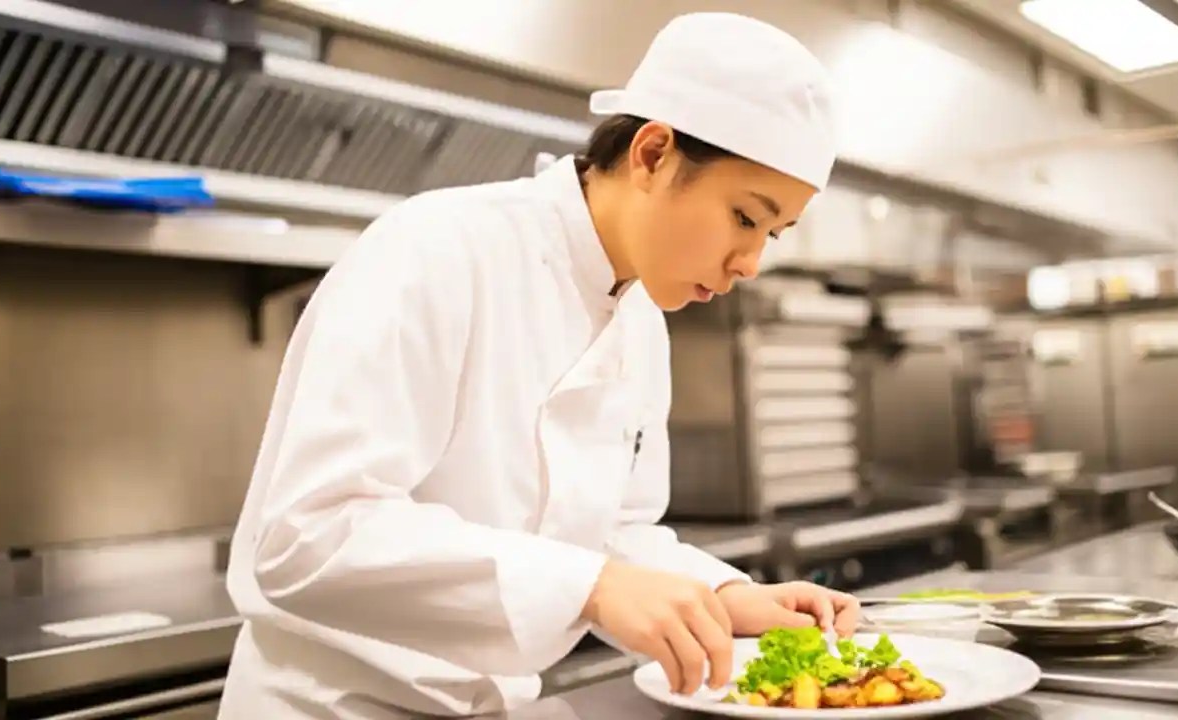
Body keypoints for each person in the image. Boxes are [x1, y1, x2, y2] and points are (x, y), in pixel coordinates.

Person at [218, 11, 858, 719]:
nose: (751, 264)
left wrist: (724, 595)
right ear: (651, 154)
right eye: (745, 217)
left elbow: (614, 535)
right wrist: (590, 586)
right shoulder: (438, 249)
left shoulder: (640, 317)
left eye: (774, 233)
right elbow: (305, 536)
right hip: (334, 707)